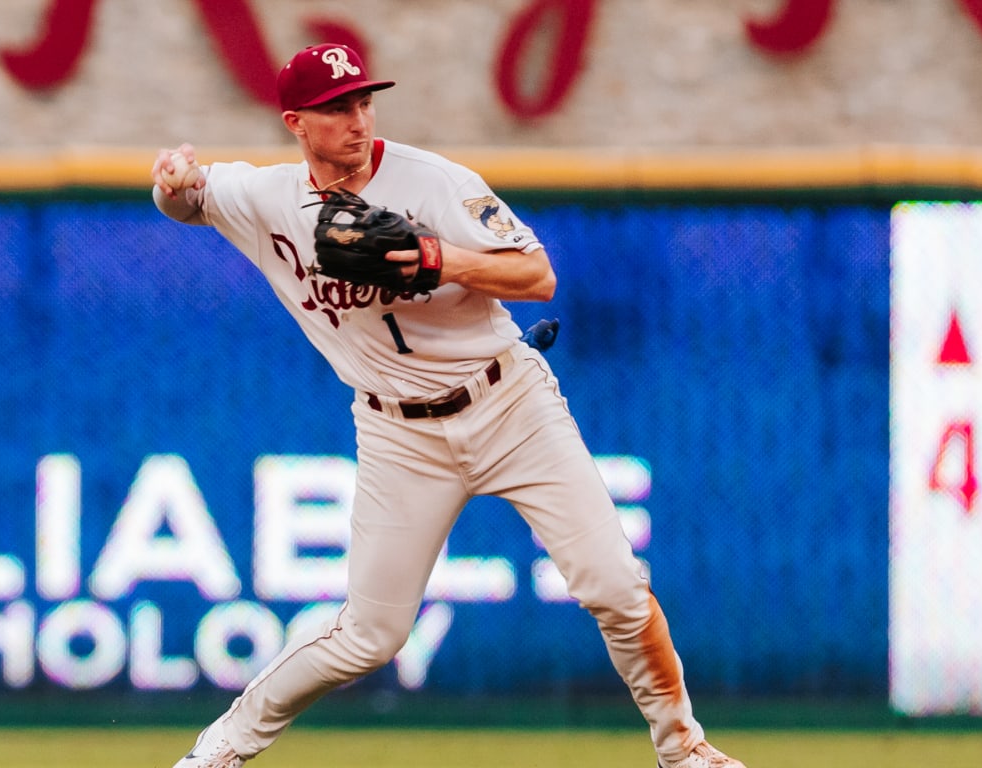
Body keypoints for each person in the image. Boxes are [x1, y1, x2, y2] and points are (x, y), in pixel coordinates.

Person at [150, 42, 746, 768]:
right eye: (337, 108)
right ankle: (221, 749)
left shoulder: (432, 183)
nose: (358, 119)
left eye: (364, 101)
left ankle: (684, 751)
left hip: (508, 404)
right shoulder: (267, 198)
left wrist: (439, 258)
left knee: (616, 585)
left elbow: (537, 274)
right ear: (296, 122)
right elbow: (192, 199)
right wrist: (171, 188)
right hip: (398, 432)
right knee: (369, 634)